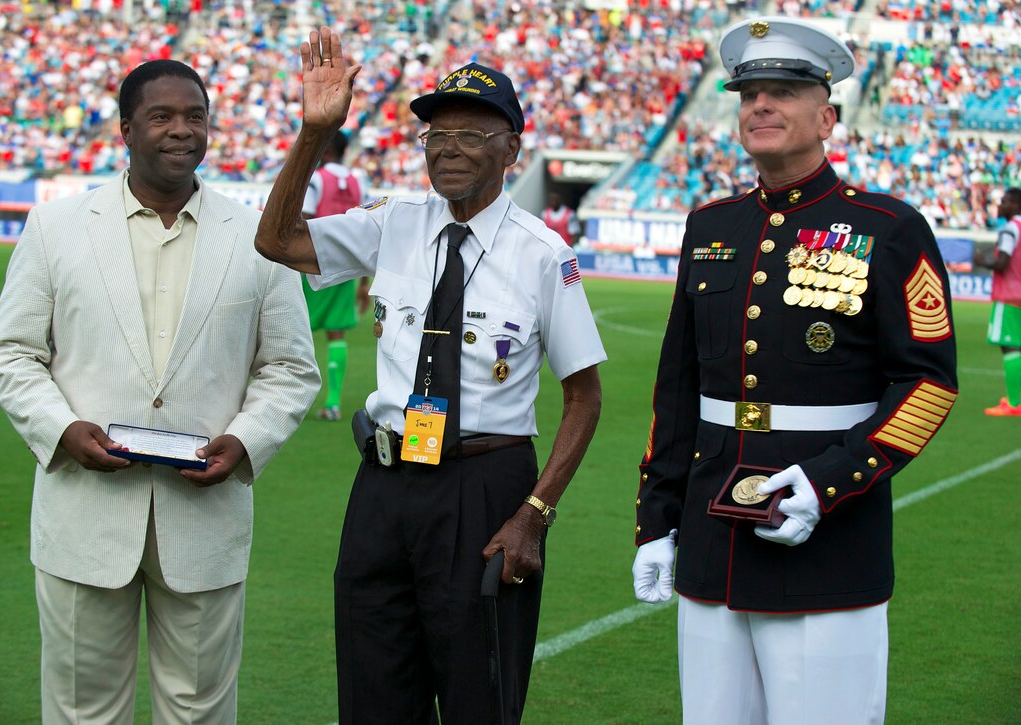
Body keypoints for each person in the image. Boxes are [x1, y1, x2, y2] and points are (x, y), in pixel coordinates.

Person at [255, 29, 606, 725]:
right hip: (384, 484)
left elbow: (583, 398)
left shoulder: (544, 255)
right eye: (435, 135)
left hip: (484, 487)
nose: (447, 149)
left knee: (480, 695)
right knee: (373, 686)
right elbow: (277, 240)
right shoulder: (394, 223)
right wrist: (313, 132)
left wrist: (534, 515)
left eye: (472, 135)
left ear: (512, 148)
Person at [630, 17, 958, 725]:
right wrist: (655, 518)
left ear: (827, 116)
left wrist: (826, 481)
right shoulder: (711, 226)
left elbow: (928, 384)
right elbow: (677, 388)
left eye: (782, 91)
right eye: (749, 95)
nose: (761, 107)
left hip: (826, 534)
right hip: (711, 538)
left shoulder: (887, 228)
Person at [0, 59, 320, 723]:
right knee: (82, 710)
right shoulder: (56, 227)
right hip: (84, 516)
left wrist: (245, 441)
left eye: (195, 116)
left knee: (198, 711)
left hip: (206, 517)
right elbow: (14, 354)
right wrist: (61, 430)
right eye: (162, 116)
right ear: (126, 129)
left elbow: (290, 367)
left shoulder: (259, 236)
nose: (181, 131)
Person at [302, 130, 371, 421]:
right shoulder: (358, 181)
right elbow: (367, 226)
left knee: (289, 331)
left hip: (312, 263)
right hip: (346, 267)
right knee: (336, 334)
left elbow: (303, 220)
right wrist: (365, 282)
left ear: (325, 150)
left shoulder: (316, 178)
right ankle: (332, 403)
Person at [974, 187, 1021, 416]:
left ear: (1015, 205)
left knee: (1010, 346)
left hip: (1010, 295)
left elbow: (1003, 262)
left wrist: (983, 261)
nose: (1000, 205)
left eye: (1005, 201)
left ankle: (1014, 403)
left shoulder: (1010, 229)